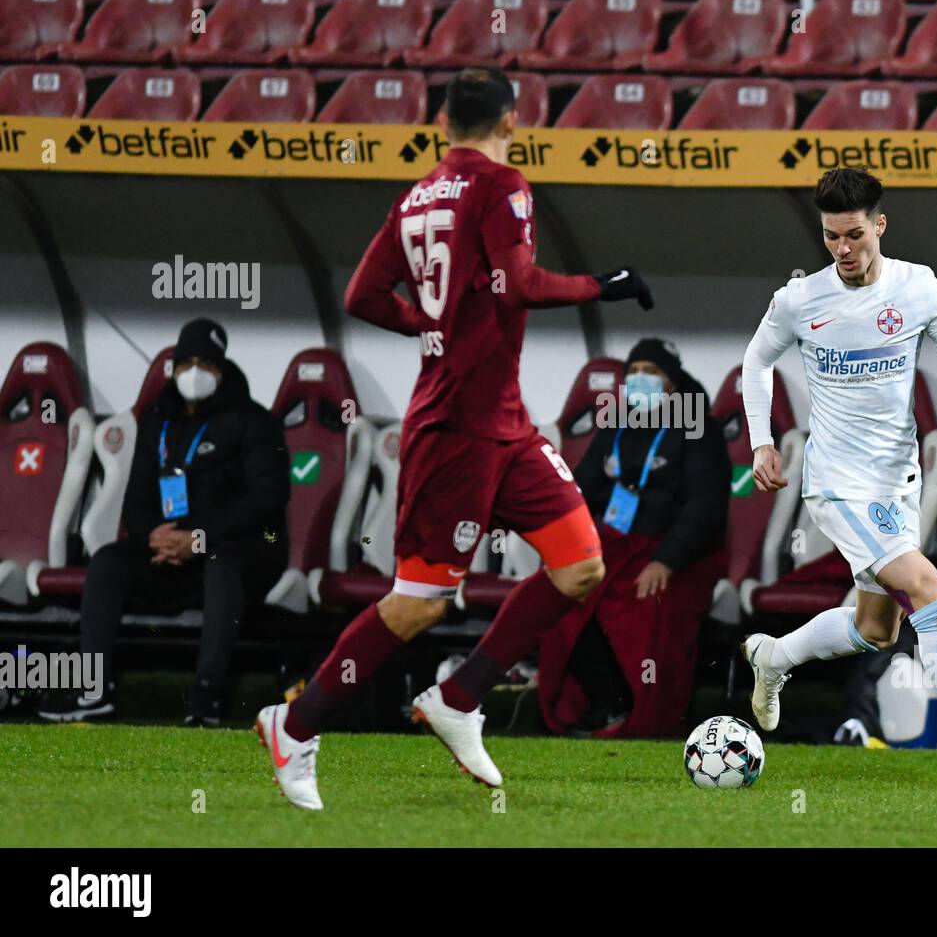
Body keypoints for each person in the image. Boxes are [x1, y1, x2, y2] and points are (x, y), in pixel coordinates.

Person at [255, 67, 654, 810]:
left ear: (442, 119)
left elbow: (361, 297)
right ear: (513, 117)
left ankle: (461, 697)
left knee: (580, 566)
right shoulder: (503, 183)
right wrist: (606, 283)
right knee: (419, 605)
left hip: (502, 422)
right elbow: (521, 282)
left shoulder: (416, 197)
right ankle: (295, 723)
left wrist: (427, 328)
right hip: (455, 433)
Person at [740, 167, 937, 790]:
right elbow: (756, 362)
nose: (843, 250)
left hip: (897, 485)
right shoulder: (801, 300)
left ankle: (774, 655)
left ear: (879, 226)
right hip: (836, 484)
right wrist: (760, 441)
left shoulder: (918, 289)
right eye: (831, 237)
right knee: (930, 592)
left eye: (854, 235)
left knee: (875, 630)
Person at [39, 318, 290, 726]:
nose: (195, 373)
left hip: (238, 552)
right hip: (170, 553)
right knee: (107, 562)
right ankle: (93, 690)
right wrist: (152, 536)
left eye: (206, 364)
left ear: (221, 370)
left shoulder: (254, 420)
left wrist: (201, 538)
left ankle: (207, 696)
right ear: (172, 368)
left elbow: (268, 499)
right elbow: (136, 500)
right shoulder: (158, 421)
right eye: (186, 362)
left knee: (221, 562)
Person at [539, 338, 729, 737]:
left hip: (678, 554)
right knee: (562, 597)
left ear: (672, 384)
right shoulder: (618, 423)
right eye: (635, 373)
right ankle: (607, 702)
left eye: (652, 373)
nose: (640, 380)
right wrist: (558, 543)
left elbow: (705, 508)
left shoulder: (699, 429)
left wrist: (666, 560)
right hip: (615, 542)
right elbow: (581, 487)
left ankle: (644, 712)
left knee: (647, 609)